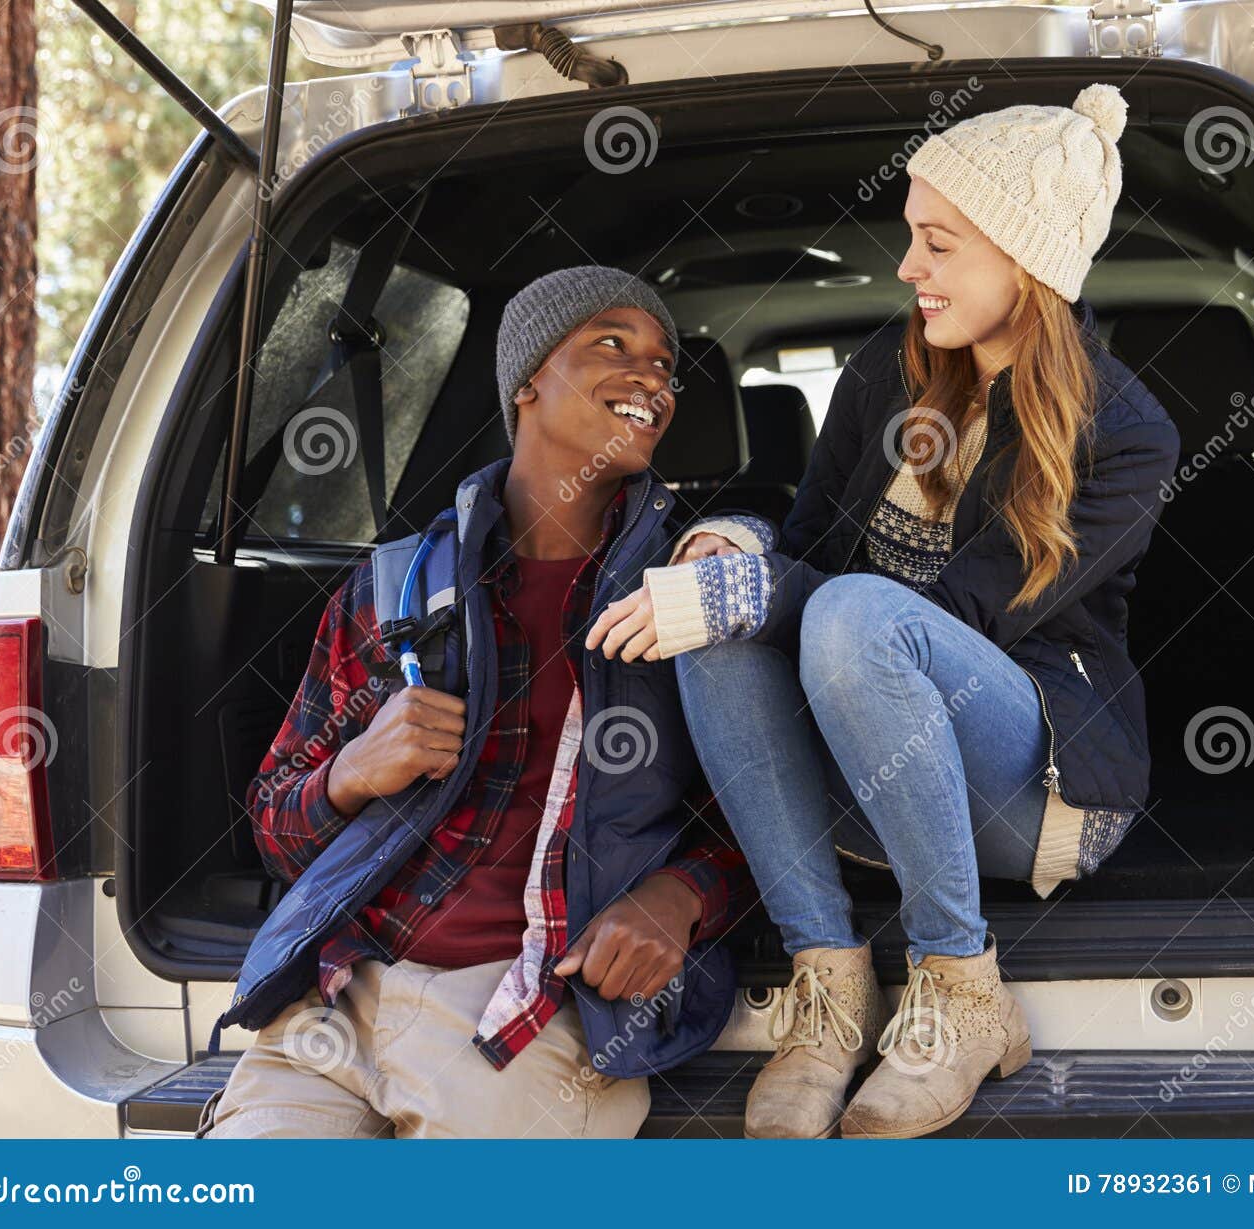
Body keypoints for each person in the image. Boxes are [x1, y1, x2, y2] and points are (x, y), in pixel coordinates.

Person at [586, 84, 1179, 1138]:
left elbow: (970, 613)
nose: (907, 269)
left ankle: (960, 987)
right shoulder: (886, 366)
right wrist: (740, 548)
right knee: (730, 621)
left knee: (853, 613)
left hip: (1032, 791)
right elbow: (808, 549)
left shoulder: (1128, 434)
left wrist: (765, 588)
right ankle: (829, 992)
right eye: (911, 238)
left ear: (1024, 259)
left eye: (937, 244)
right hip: (866, 787)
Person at [199, 265, 754, 1139]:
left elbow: (779, 818)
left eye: (663, 364)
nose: (652, 376)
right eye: (614, 343)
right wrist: (353, 770)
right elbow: (277, 824)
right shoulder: (395, 588)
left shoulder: (695, 585)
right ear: (527, 379)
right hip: (335, 996)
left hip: (523, 1008)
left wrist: (680, 897)